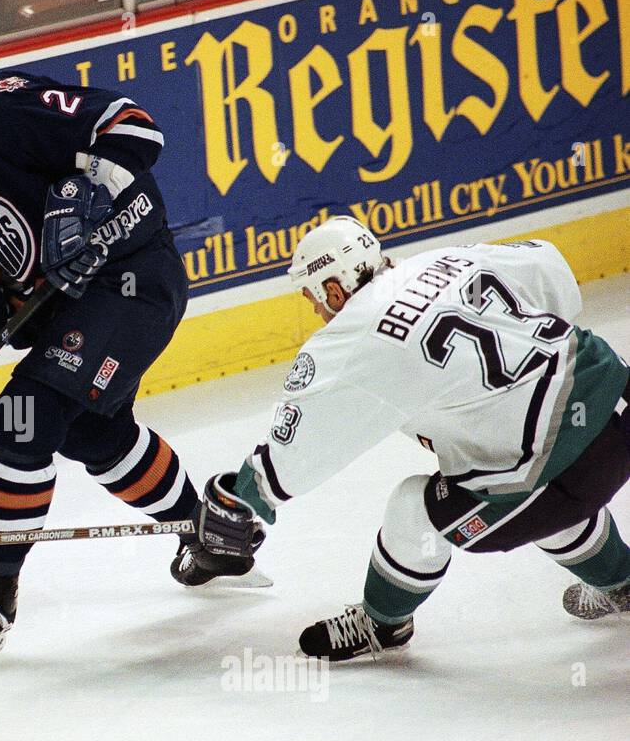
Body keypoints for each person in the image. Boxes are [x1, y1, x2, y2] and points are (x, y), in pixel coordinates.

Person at [0, 28, 218, 669]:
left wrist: (84, 193)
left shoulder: (8, 105)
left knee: (18, 420)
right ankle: (209, 532)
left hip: (130, 282)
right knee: (91, 435)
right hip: (61, 312)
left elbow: (135, 126)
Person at [182, 216, 630, 661]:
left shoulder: (350, 339)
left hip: (556, 471)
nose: (318, 311)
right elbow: (552, 271)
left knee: (417, 506)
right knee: (520, 481)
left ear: (333, 290)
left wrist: (239, 500)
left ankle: (382, 622)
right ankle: (623, 583)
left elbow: (292, 456)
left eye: (314, 299)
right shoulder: (443, 260)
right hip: (615, 404)